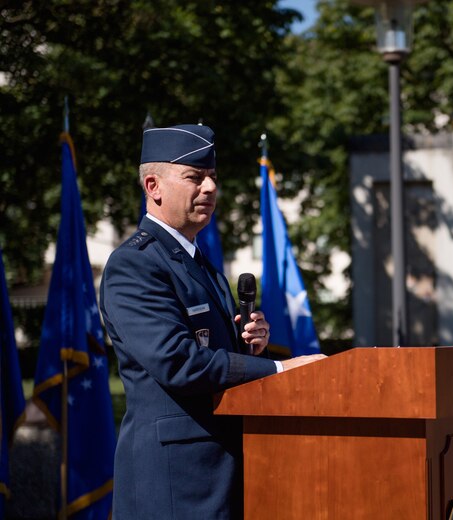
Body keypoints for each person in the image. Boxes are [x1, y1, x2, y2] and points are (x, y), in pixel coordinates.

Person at [99, 124, 325, 519]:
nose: (209, 188)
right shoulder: (135, 264)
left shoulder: (198, 263)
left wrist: (252, 346)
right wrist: (278, 369)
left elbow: (215, 358)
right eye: (194, 177)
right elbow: (178, 363)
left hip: (220, 474)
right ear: (153, 186)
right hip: (175, 483)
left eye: (213, 177)